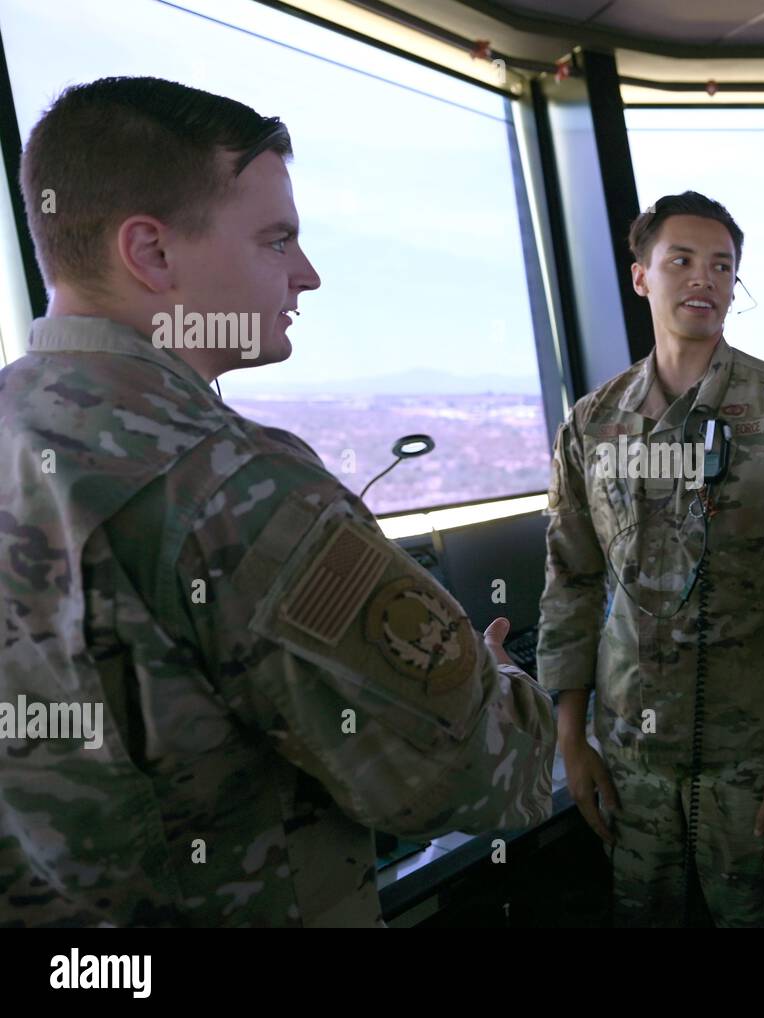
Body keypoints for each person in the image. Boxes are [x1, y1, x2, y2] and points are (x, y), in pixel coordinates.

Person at [0, 77, 554, 927]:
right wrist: (507, 682)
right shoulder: (233, 481)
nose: (308, 273)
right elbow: (481, 779)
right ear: (151, 253)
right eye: (276, 240)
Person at [536, 191, 764, 927]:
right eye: (681, 260)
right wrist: (572, 737)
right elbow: (573, 580)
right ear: (640, 278)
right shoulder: (593, 423)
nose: (704, 280)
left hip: (757, 761)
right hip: (631, 761)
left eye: (722, 266)